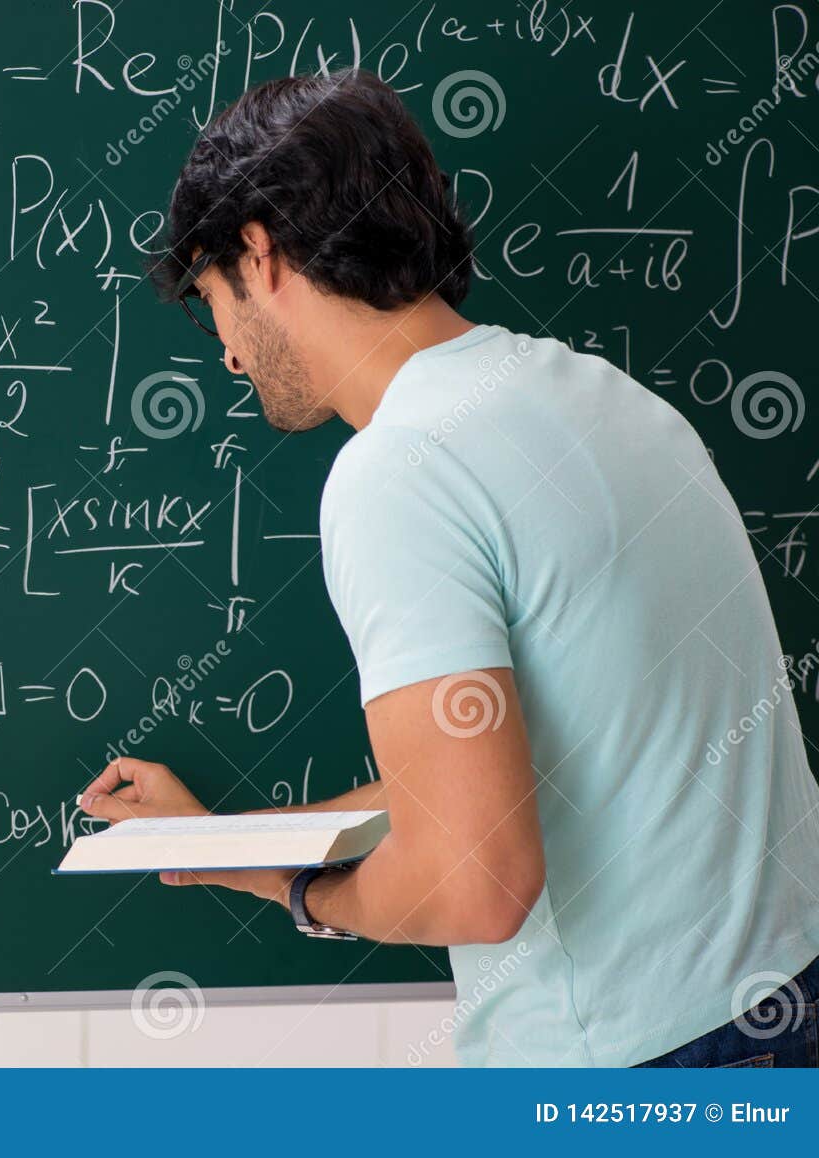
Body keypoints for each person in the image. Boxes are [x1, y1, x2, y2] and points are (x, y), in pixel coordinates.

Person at [80, 68, 819, 1067]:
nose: (226, 354)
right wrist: (235, 850)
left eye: (211, 300)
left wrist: (308, 896)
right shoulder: (604, 398)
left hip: (630, 1066)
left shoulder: (399, 470)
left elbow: (475, 881)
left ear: (258, 254)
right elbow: (513, 783)